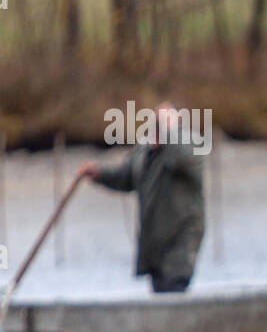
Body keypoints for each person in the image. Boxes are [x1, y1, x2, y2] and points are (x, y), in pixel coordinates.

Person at [79, 102, 205, 293]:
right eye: (157, 122)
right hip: (154, 246)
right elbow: (126, 176)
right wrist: (98, 173)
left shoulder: (190, 143)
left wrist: (171, 131)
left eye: (165, 122)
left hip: (180, 242)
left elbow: (187, 157)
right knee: (160, 297)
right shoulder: (144, 150)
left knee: (173, 290)